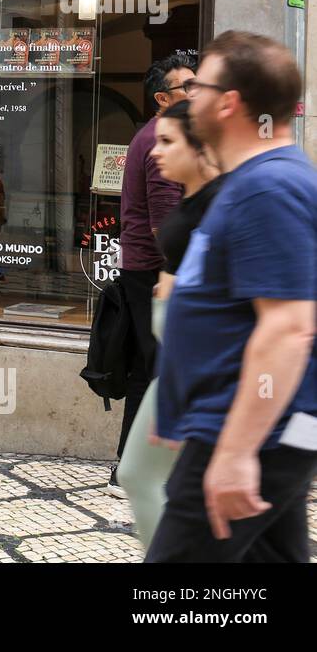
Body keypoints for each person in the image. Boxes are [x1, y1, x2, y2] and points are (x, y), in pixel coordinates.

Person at [147, 30, 317, 562]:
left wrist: (239, 450)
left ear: (229, 103)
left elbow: (288, 328)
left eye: (198, 86)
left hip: (252, 431)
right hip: (247, 425)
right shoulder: (249, 184)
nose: (187, 95)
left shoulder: (269, 188)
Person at [116, 100, 222, 546]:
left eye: (167, 141)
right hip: (180, 367)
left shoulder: (222, 206)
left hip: (204, 373)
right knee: (140, 475)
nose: (153, 150)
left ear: (201, 148)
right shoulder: (189, 206)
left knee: (149, 477)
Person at [109, 53, 196, 495]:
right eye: (188, 88)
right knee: (159, 370)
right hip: (153, 270)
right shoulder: (159, 142)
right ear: (163, 98)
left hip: (147, 269)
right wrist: (179, 276)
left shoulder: (163, 136)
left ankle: (129, 467)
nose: (197, 95)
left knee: (150, 370)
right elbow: (166, 226)